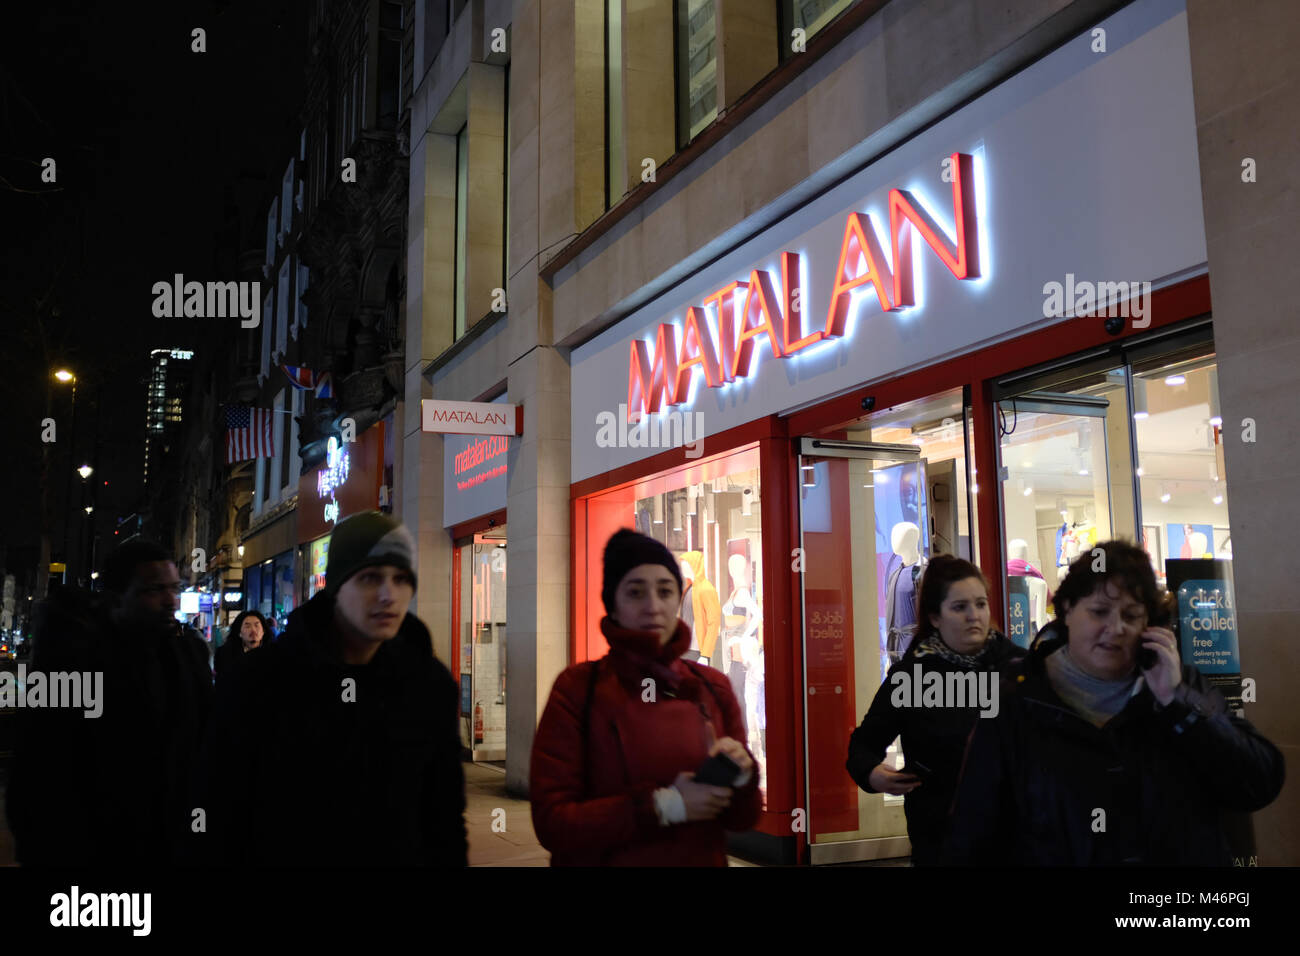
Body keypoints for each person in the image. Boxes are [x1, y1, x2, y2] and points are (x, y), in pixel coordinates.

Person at [942, 540, 1284, 865]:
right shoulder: (1016, 700)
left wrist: (1177, 702)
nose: (1116, 628)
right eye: (1099, 612)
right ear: (1067, 610)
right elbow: (973, 835)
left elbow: (1258, 784)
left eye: (1131, 615)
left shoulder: (1181, 686)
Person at [202, 511, 466, 866]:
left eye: (401, 578)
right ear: (338, 585)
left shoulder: (428, 684)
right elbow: (216, 816)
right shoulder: (259, 684)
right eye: (371, 577)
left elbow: (444, 819)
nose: (389, 595)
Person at [530, 529, 761, 865]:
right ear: (614, 605)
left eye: (665, 591)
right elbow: (553, 822)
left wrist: (741, 773)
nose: (653, 606)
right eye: (636, 592)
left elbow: (742, 818)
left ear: (677, 600)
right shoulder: (578, 689)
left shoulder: (713, 686)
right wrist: (666, 805)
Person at [6, 539, 213, 866]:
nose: (171, 601)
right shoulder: (73, 662)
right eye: (154, 590)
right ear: (118, 598)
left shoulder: (187, 655)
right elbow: (38, 770)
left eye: (175, 587)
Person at [846, 555, 1023, 866]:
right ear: (935, 616)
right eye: (960, 607)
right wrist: (874, 774)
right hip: (941, 837)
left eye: (980, 604)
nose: (974, 616)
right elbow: (863, 746)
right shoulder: (913, 677)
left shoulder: (1018, 669)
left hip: (1015, 836)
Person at [213, 609, 273, 681]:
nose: (253, 630)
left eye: (257, 625)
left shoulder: (274, 655)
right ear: (239, 633)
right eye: (247, 626)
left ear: (263, 631)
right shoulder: (225, 655)